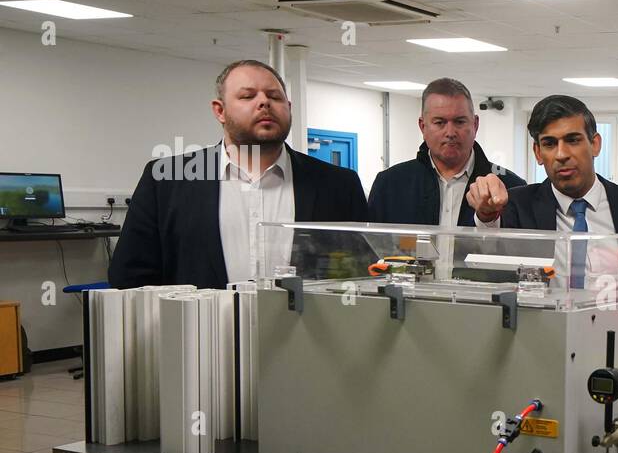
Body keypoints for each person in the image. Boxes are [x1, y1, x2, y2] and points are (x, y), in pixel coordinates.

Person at [466, 94, 618, 377]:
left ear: (594, 144)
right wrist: (486, 215)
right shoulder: (516, 206)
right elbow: (488, 255)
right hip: (540, 362)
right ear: (537, 153)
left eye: (572, 140)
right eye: (549, 143)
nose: (561, 154)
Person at [109, 59, 367, 288]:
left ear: (289, 107)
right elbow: (130, 276)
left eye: (274, 97)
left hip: (305, 335)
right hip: (202, 335)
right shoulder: (167, 179)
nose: (264, 102)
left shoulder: (337, 184)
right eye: (247, 96)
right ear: (219, 110)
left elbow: (362, 275)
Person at [367, 77, 525, 225]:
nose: (450, 132)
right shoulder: (390, 184)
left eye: (459, 121)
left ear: (475, 125)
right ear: (423, 126)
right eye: (440, 122)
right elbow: (371, 248)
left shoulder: (512, 187)